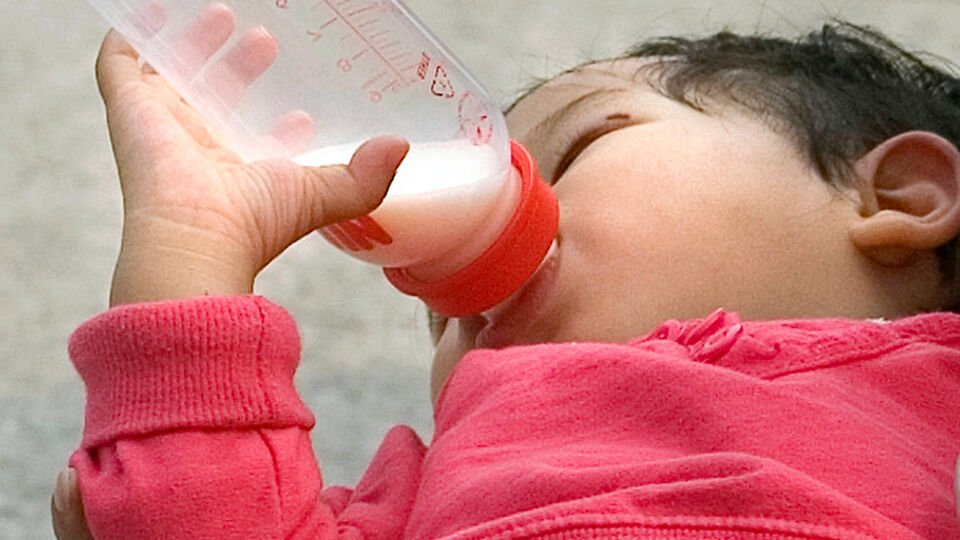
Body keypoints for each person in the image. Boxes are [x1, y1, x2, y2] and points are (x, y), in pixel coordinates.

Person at [52, 18, 960, 539]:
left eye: (573, 152)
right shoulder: (433, 487)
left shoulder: (931, 405)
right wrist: (192, 243)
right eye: (434, 327)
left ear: (898, 197)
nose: (456, 296)